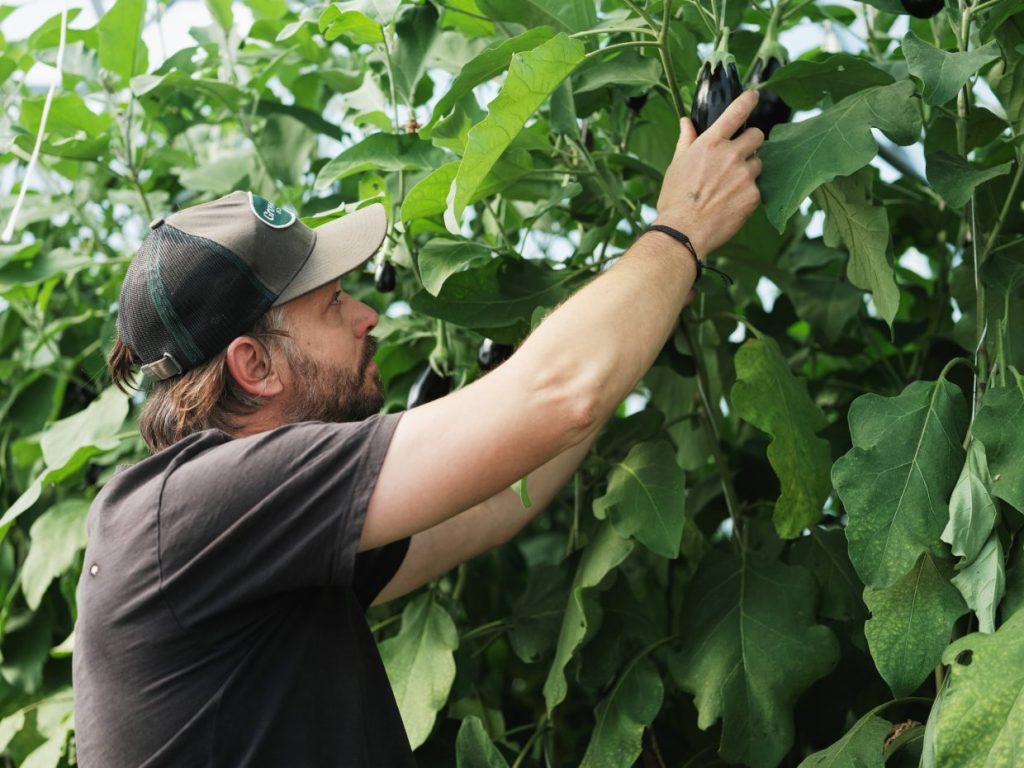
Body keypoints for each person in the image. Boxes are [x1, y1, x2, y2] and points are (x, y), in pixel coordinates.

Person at [72, 92, 764, 766]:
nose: (367, 315)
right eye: (334, 303)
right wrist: (682, 228)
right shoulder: (193, 507)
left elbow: (497, 500)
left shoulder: (246, 530)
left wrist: (647, 297)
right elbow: (557, 396)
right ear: (254, 365)